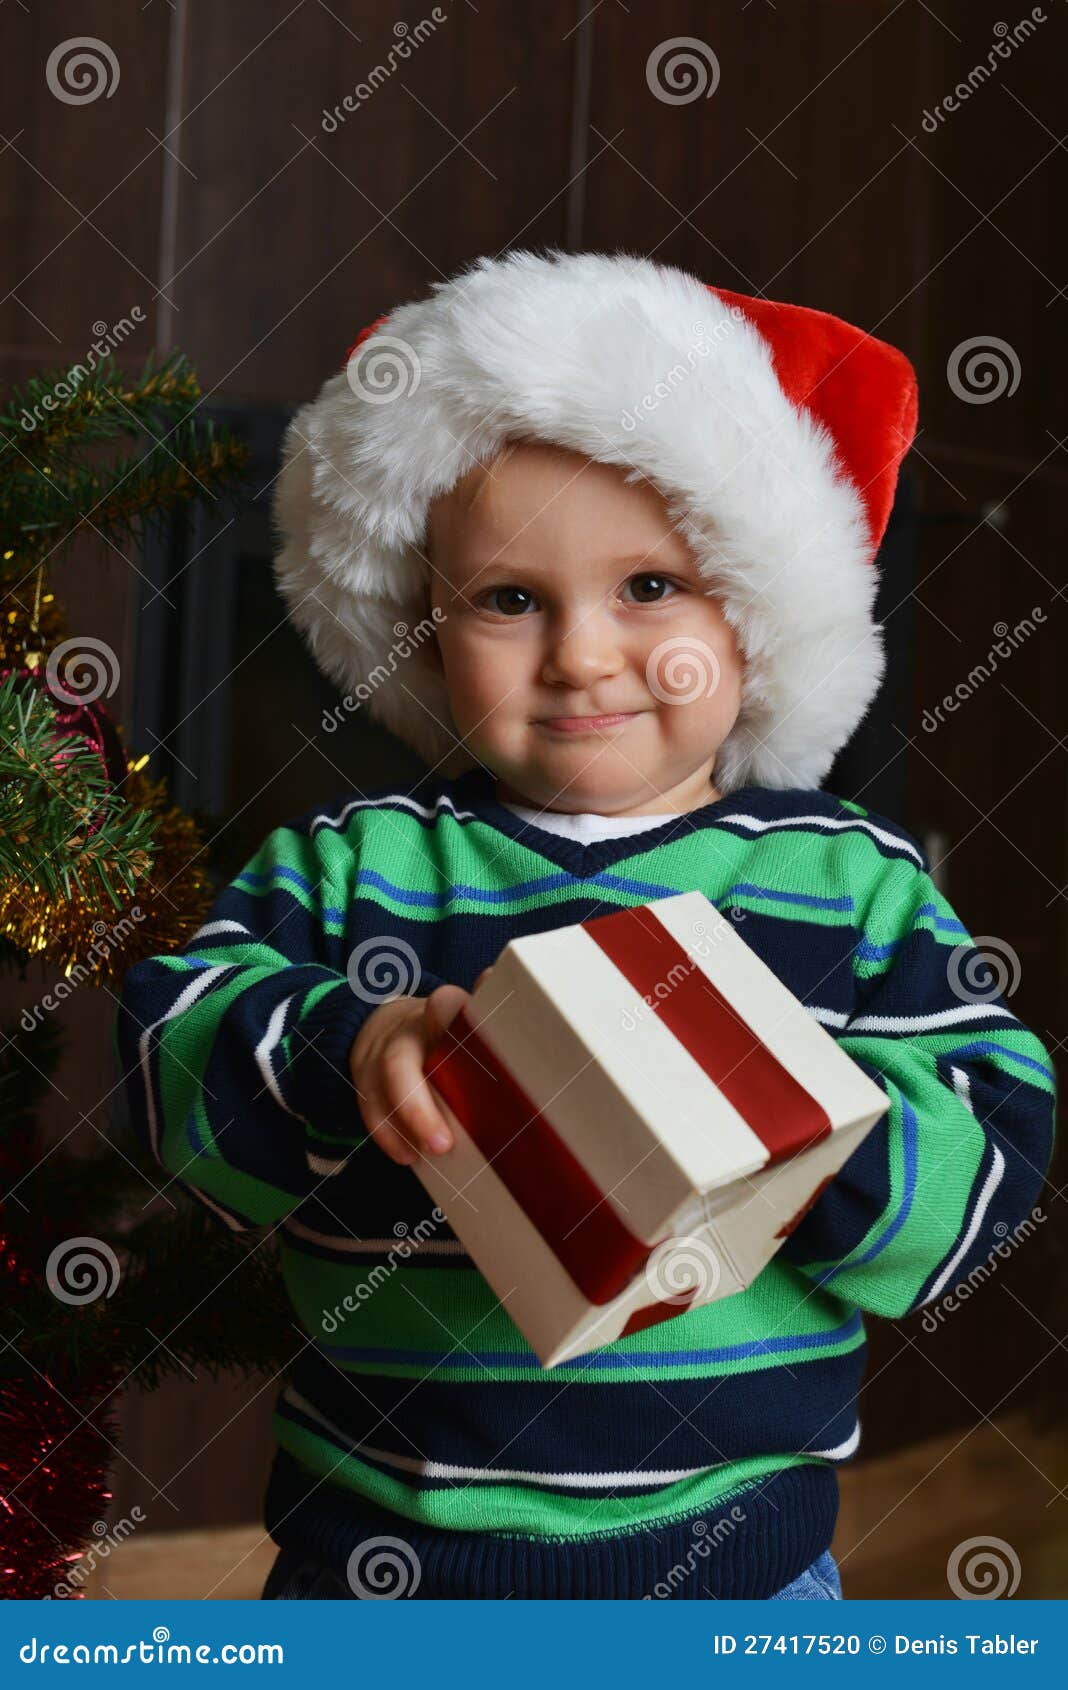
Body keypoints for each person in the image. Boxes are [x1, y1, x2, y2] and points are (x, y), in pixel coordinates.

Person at [114, 250, 1056, 1601]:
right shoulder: (357, 869)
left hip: (740, 1575)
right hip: (380, 1570)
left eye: (651, 588)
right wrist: (349, 1051)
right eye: (509, 600)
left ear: (752, 611)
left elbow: (994, 1152)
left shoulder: (845, 884)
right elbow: (167, 1062)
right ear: (425, 633)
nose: (583, 655)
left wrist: (809, 1136)